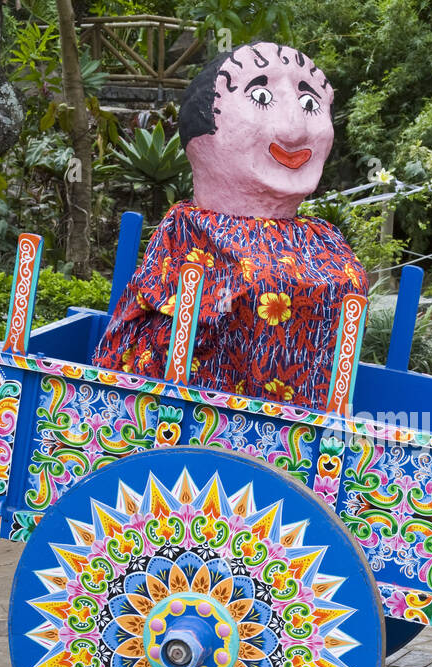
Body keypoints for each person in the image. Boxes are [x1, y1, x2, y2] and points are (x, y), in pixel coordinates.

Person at [93, 42, 366, 409]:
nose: (295, 128)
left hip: (312, 428)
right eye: (261, 95)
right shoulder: (192, 229)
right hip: (197, 423)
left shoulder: (324, 239)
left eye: (309, 103)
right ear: (202, 132)